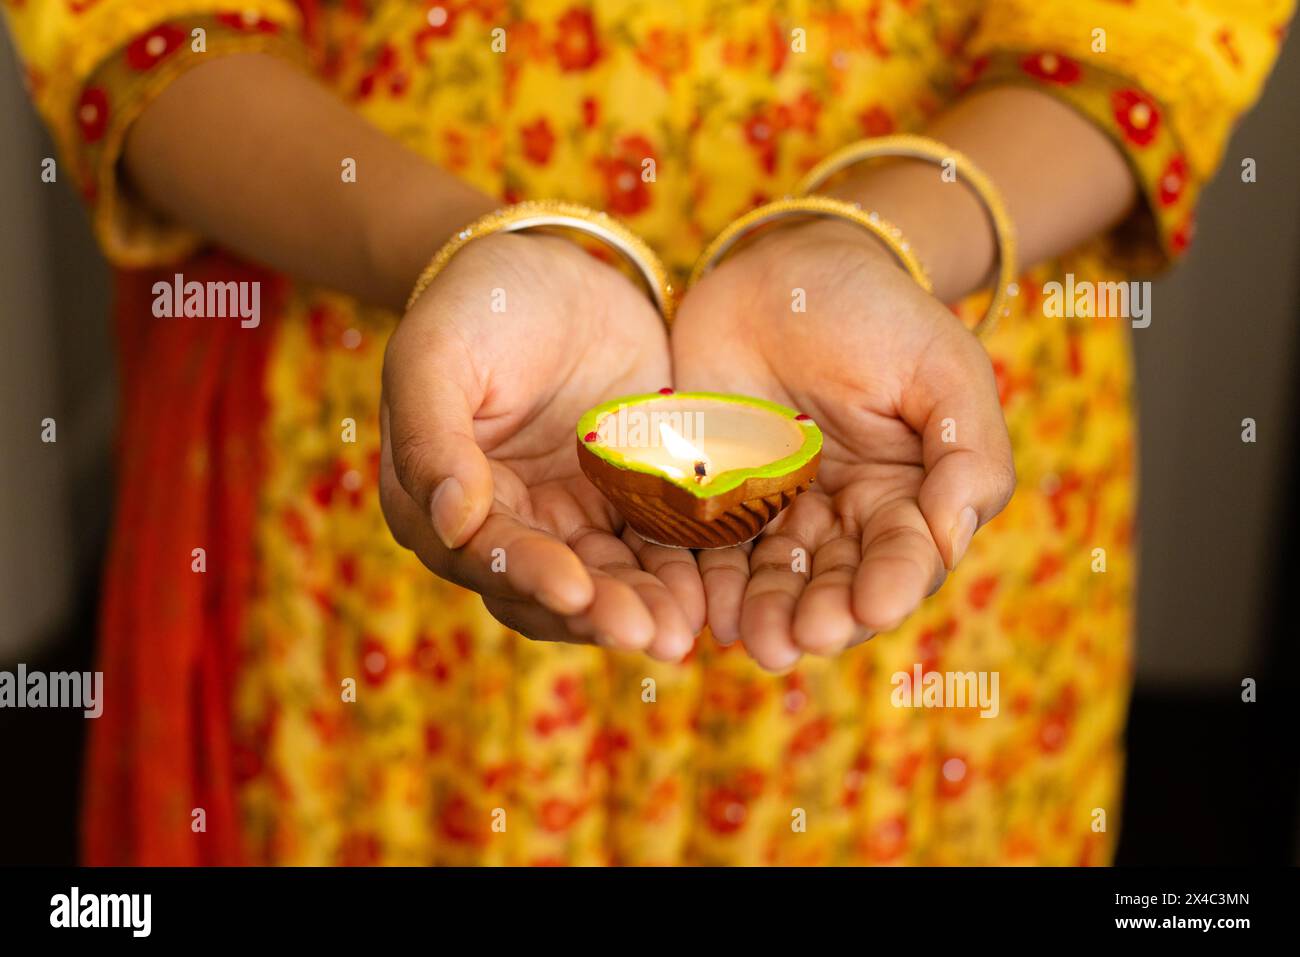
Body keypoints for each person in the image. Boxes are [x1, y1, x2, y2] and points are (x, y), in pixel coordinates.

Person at [3, 0, 1290, 865]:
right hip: (423, 406)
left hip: (890, 405)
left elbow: (1158, 27)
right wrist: (457, 249)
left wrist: (876, 239)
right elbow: (139, 30)